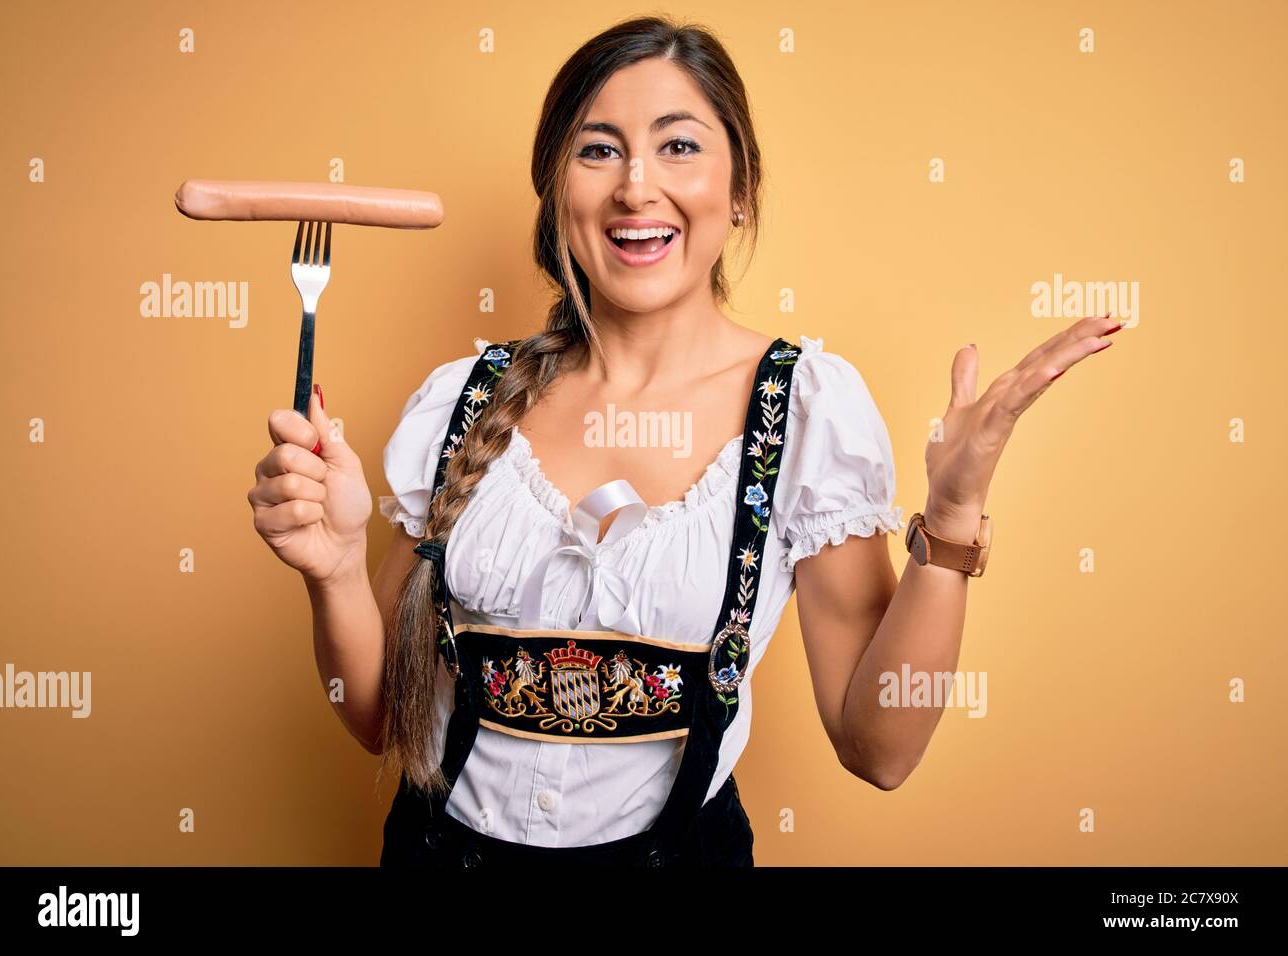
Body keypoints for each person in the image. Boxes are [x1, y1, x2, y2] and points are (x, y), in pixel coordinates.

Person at [246, 15, 1121, 867]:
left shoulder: (803, 410)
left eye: (678, 145)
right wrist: (329, 571)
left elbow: (878, 749)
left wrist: (956, 513)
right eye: (598, 149)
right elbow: (379, 722)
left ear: (740, 191)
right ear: (558, 195)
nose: (635, 186)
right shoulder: (460, 403)